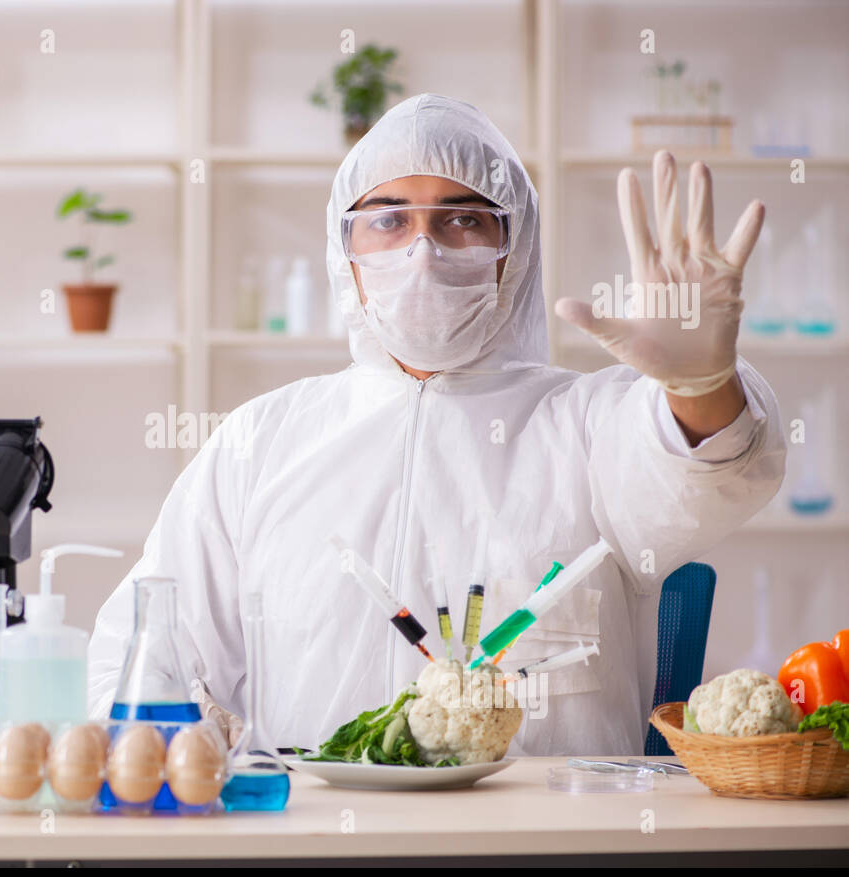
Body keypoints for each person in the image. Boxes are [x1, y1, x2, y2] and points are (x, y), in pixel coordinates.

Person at [86, 93, 786, 756]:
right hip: (309, 836)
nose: (423, 251)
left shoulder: (587, 426)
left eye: (463, 219)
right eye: (388, 219)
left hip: (542, 847)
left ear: (516, 249)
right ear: (345, 252)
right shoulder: (260, 442)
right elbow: (145, 650)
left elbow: (702, 473)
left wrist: (701, 384)